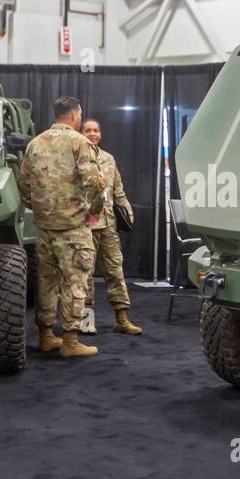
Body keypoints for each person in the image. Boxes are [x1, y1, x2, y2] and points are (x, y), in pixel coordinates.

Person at [18, 96, 106, 357]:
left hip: (44, 228)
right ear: (75, 115)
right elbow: (95, 184)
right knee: (76, 281)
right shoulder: (80, 142)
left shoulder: (35, 144)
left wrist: (42, 210)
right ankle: (70, 341)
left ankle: (46, 336)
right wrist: (94, 211)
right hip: (72, 228)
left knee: (46, 282)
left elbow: (23, 185)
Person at [78, 118, 142, 335]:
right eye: (88, 130)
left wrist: (127, 213)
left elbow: (118, 191)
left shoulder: (108, 159)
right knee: (85, 274)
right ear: (81, 133)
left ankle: (121, 318)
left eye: (96, 130)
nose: (93, 134)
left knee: (115, 270)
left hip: (108, 225)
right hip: (85, 224)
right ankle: (86, 320)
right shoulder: (76, 158)